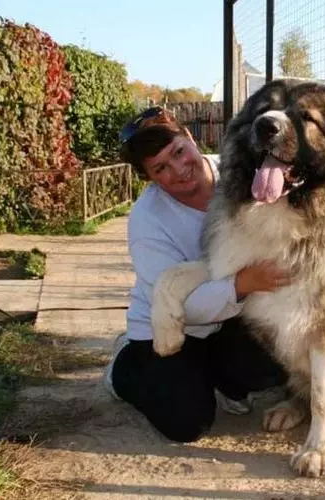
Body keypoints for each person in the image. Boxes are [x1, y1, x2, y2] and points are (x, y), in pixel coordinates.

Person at [103, 106, 290, 443]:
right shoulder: (148, 221)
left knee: (274, 368)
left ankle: (221, 379)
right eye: (160, 168)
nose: (179, 169)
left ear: (189, 137)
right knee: (186, 422)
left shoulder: (239, 171)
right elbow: (185, 306)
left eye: (178, 151)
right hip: (169, 324)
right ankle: (124, 370)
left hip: (229, 317)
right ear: (149, 178)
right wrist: (243, 283)